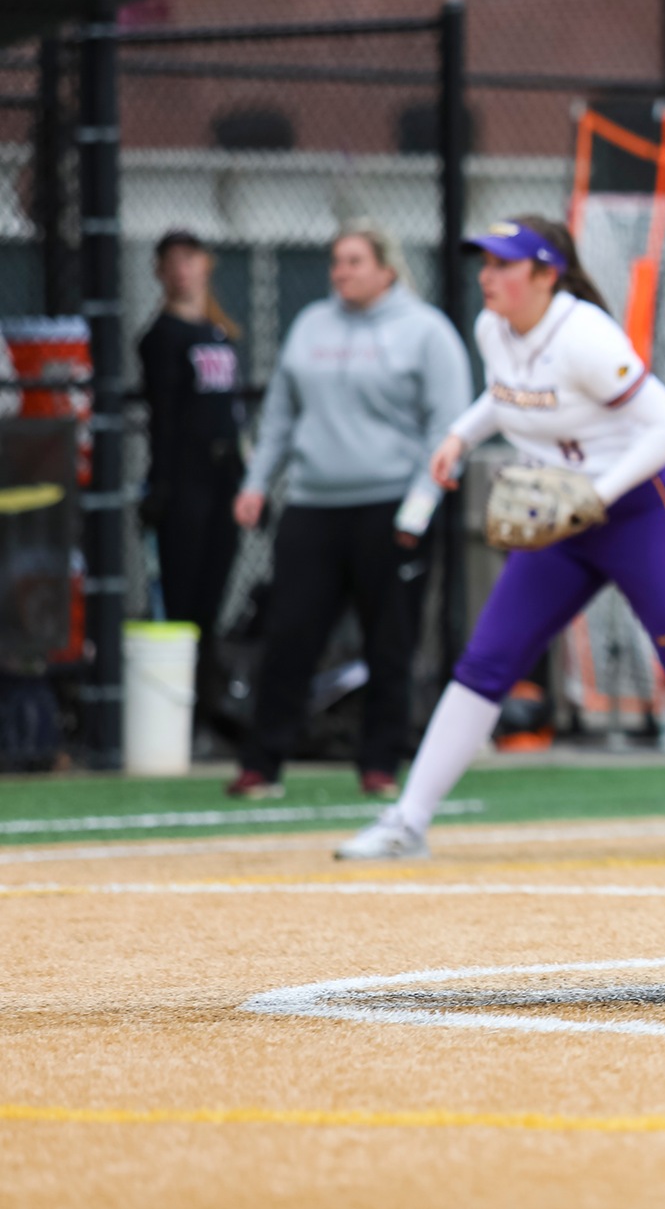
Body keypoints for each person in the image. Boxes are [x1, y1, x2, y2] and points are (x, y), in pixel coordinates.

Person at [334, 214, 665, 859]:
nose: (487, 276)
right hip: (563, 523)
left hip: (639, 513)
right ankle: (408, 823)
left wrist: (596, 496)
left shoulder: (585, 337)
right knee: (485, 666)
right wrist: (461, 434)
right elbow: (508, 394)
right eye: (483, 263)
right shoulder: (493, 327)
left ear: (546, 274)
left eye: (503, 264)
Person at [227, 224, 473, 800]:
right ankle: (263, 763)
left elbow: (449, 431)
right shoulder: (312, 325)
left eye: (355, 261)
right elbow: (282, 417)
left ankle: (380, 764)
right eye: (337, 262)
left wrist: (419, 508)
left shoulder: (426, 333)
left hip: (391, 509)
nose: (341, 272)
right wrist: (258, 483)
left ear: (387, 269)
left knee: (389, 641)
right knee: (289, 634)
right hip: (313, 505)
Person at [138, 231, 246, 667]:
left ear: (206, 265)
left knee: (214, 591)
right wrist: (160, 484)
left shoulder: (220, 333)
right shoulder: (161, 337)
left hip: (225, 477)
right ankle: (180, 698)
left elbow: (235, 413)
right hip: (185, 478)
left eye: (190, 259)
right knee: (181, 595)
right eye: (173, 262)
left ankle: (207, 689)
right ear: (161, 273)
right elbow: (163, 417)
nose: (183, 270)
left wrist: (248, 478)